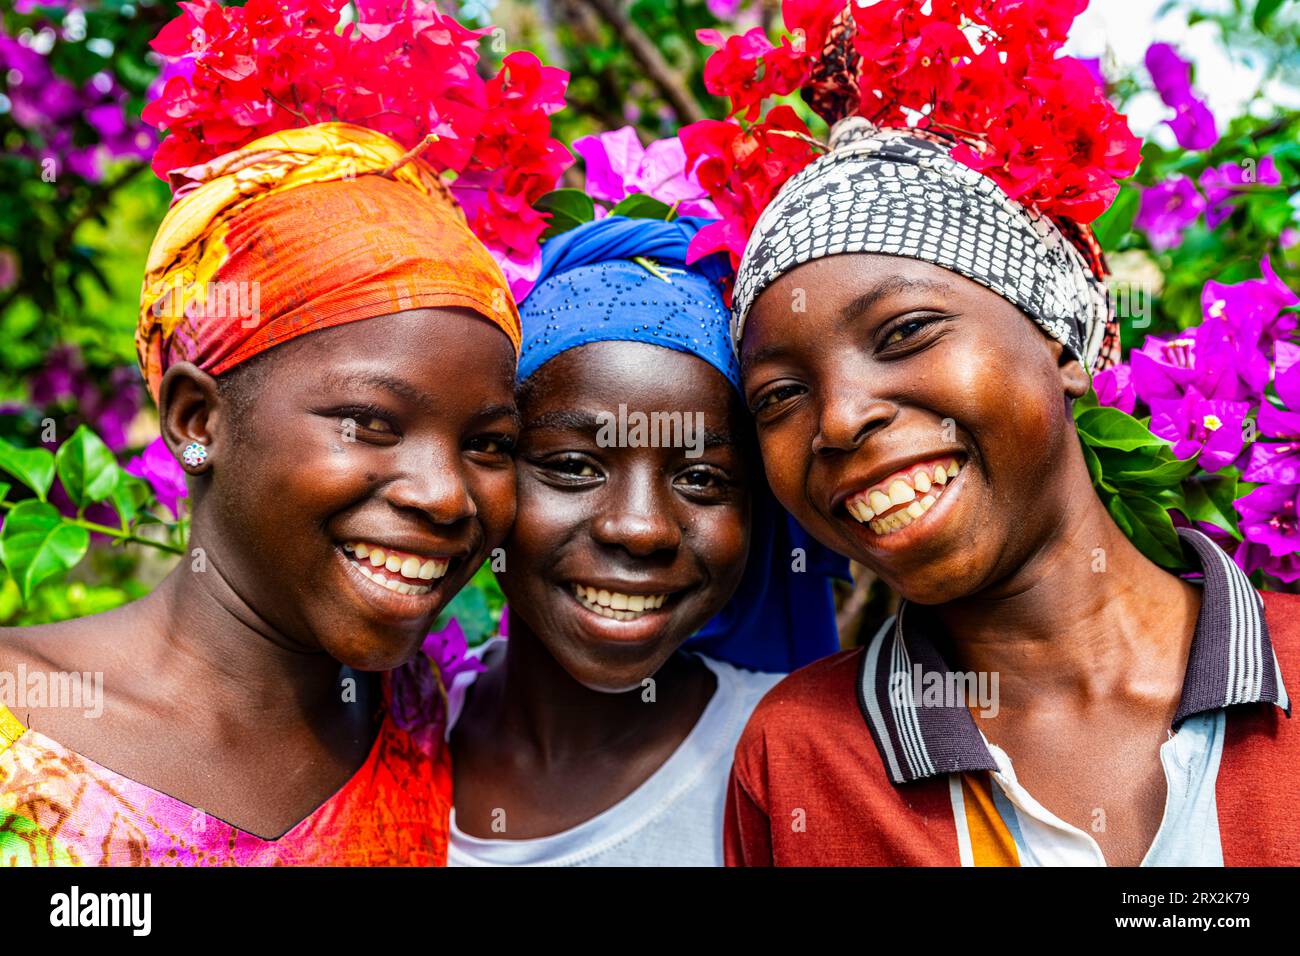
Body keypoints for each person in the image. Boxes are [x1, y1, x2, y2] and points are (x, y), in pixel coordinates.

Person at [706, 9, 1299, 866]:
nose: (838, 420)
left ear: (1059, 342)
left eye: (905, 332)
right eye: (780, 395)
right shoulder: (801, 764)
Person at [0, 120, 524, 866]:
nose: (446, 497)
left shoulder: (425, 721)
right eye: (370, 423)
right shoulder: (18, 728)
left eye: (489, 445)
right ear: (196, 419)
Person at [446, 216, 844, 866]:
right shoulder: (385, 726)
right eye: (573, 467)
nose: (641, 528)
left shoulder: (798, 773)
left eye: (700, 477)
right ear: (489, 466)